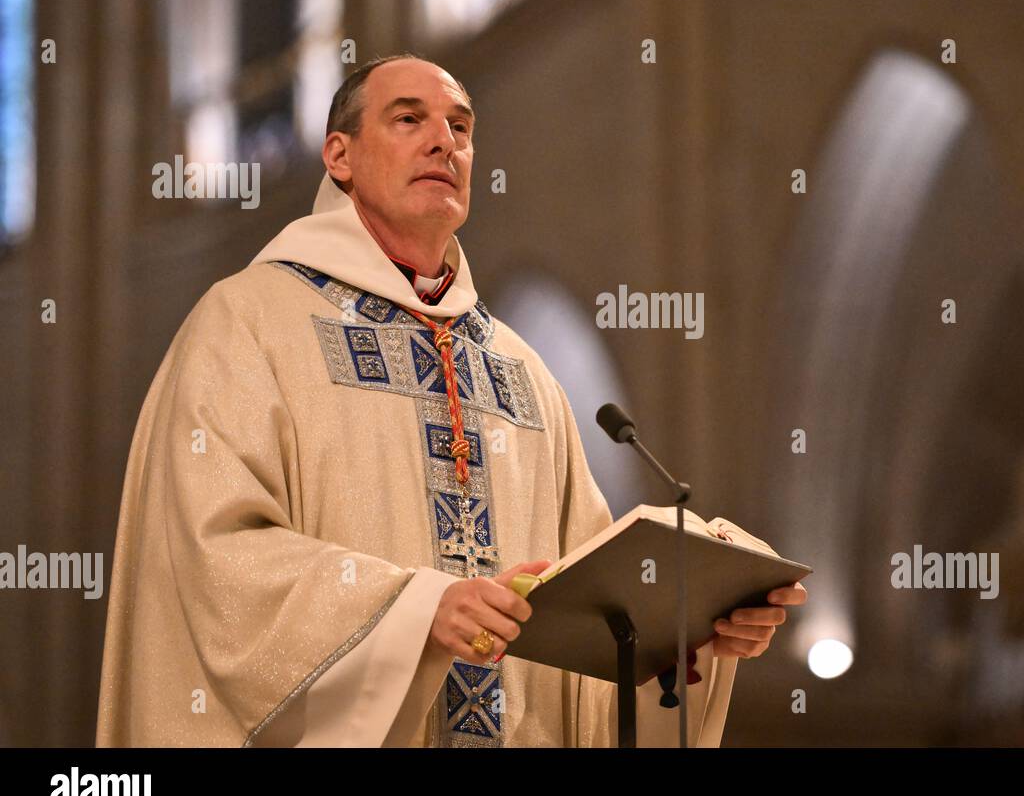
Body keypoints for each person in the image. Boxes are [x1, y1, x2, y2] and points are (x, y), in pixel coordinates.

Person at [95, 53, 807, 747]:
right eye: (409, 119)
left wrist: (687, 639)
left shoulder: (520, 369)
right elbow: (210, 561)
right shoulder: (249, 324)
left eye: (461, 127)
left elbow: (590, 622)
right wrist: (414, 614)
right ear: (339, 156)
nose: (445, 141)